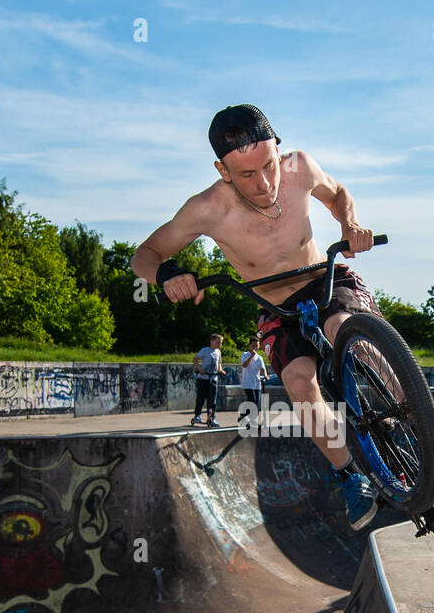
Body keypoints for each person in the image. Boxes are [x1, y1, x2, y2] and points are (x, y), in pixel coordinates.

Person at [131, 104, 384, 529]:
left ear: (278, 151)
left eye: (269, 166)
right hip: (275, 309)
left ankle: (422, 421)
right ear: (223, 170)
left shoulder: (300, 168)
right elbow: (144, 255)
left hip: (325, 282)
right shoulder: (207, 208)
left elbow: (338, 194)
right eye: (247, 175)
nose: (265, 183)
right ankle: (349, 477)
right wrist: (168, 274)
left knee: (345, 330)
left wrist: (351, 223)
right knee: (301, 384)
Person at [191, 333, 224, 426]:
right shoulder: (205, 350)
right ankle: (197, 416)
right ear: (212, 341)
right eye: (218, 342)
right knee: (201, 398)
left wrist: (220, 370)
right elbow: (195, 360)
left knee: (212, 401)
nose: (219, 345)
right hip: (203, 379)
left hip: (213, 379)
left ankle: (211, 417)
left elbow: (219, 363)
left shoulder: (218, 352)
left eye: (221, 343)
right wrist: (200, 368)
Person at [240, 335, 268, 420]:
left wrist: (265, 375)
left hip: (257, 383)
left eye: (257, 346)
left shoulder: (259, 358)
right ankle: (245, 415)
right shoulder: (245, 354)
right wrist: (251, 356)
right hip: (247, 383)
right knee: (252, 400)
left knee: (256, 402)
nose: (255, 348)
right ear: (249, 345)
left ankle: (251, 418)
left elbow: (263, 368)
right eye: (253, 346)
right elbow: (244, 365)